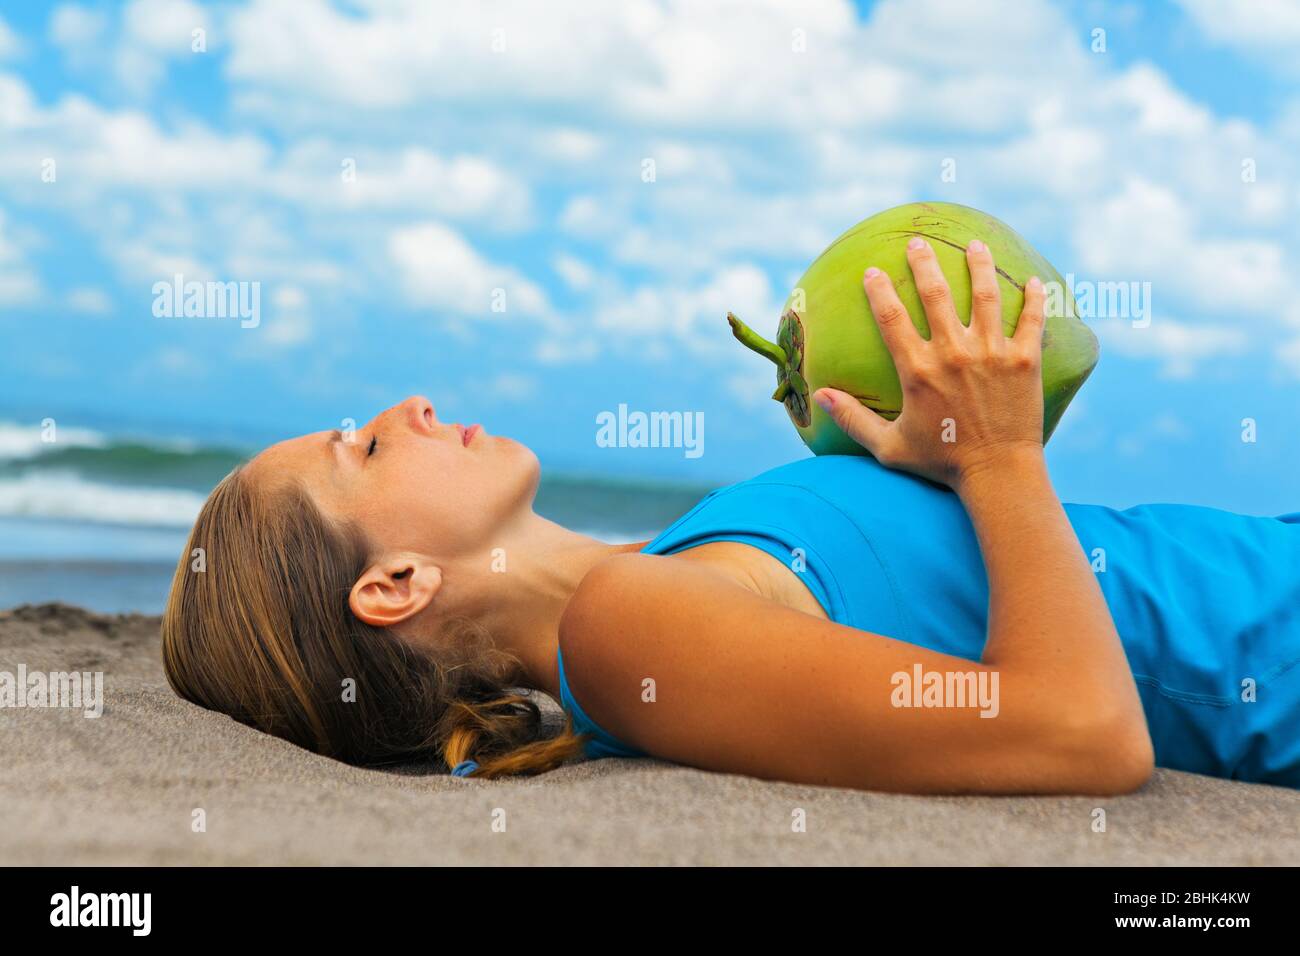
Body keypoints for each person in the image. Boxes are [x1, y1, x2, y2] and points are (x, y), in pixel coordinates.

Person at [162, 237, 1300, 792]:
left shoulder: (674, 561)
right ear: (394, 583)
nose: (404, 405)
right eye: (363, 446)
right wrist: (998, 457)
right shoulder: (626, 635)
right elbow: (1079, 733)